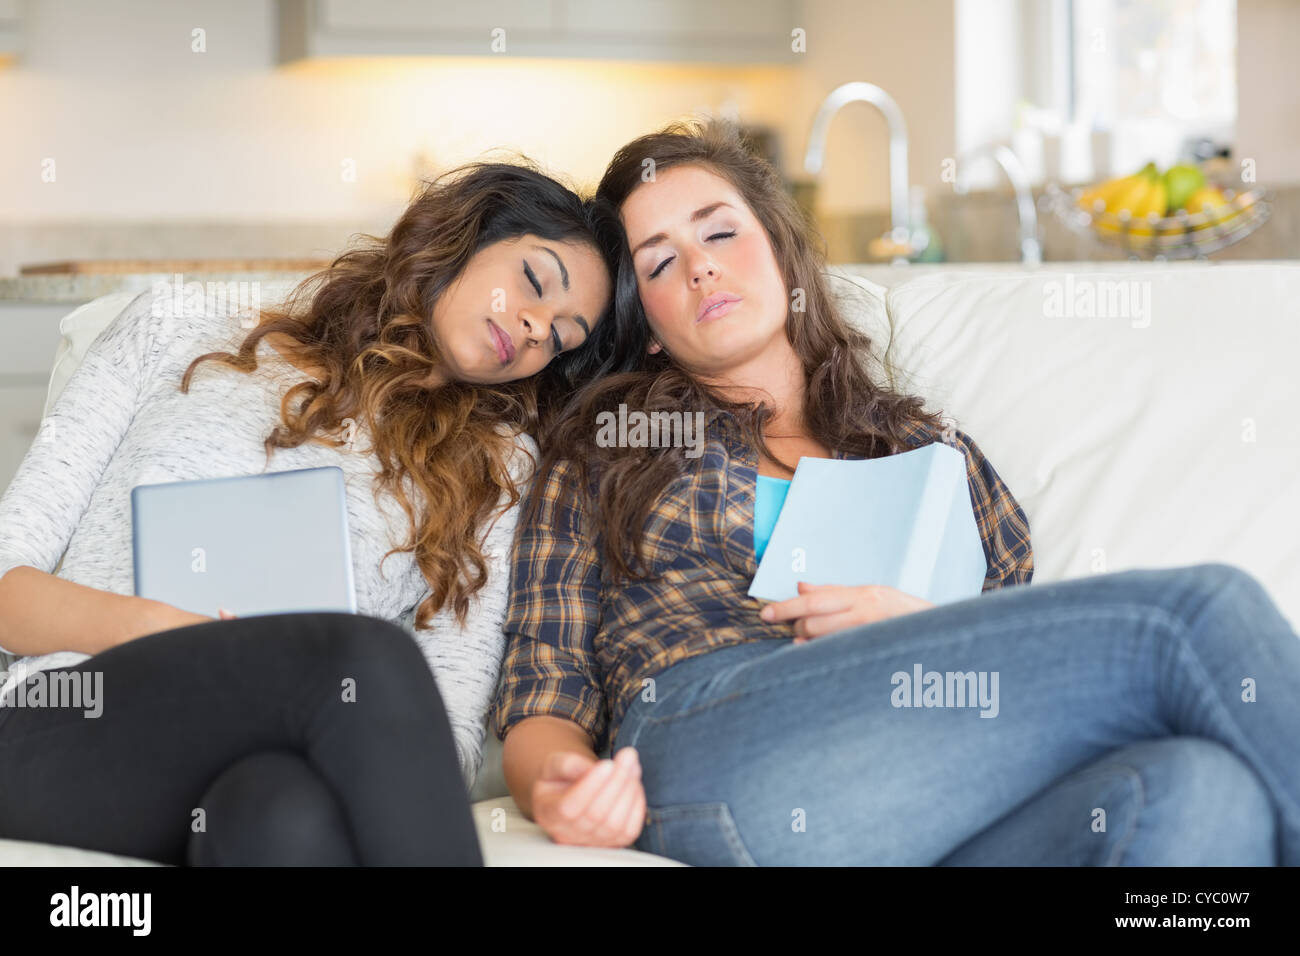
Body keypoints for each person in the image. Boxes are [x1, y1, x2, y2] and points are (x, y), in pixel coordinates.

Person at [490, 119, 1300, 866]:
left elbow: (1016, 655)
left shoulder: (924, 443)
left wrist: (916, 635)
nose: (701, 265)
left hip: (918, 793)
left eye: (721, 232)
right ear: (650, 324)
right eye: (661, 263)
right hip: (722, 743)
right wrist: (561, 783)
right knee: (1194, 616)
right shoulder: (611, 450)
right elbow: (544, 680)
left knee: (1195, 791)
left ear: (779, 247)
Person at [0, 160, 622, 866]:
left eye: (562, 338)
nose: (538, 328)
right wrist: (178, 636)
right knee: (363, 654)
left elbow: (441, 725)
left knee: (284, 820)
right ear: (468, 231)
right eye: (536, 282)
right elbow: (4, 585)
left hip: (266, 763)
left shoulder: (498, 467)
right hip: (68, 723)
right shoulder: (176, 328)